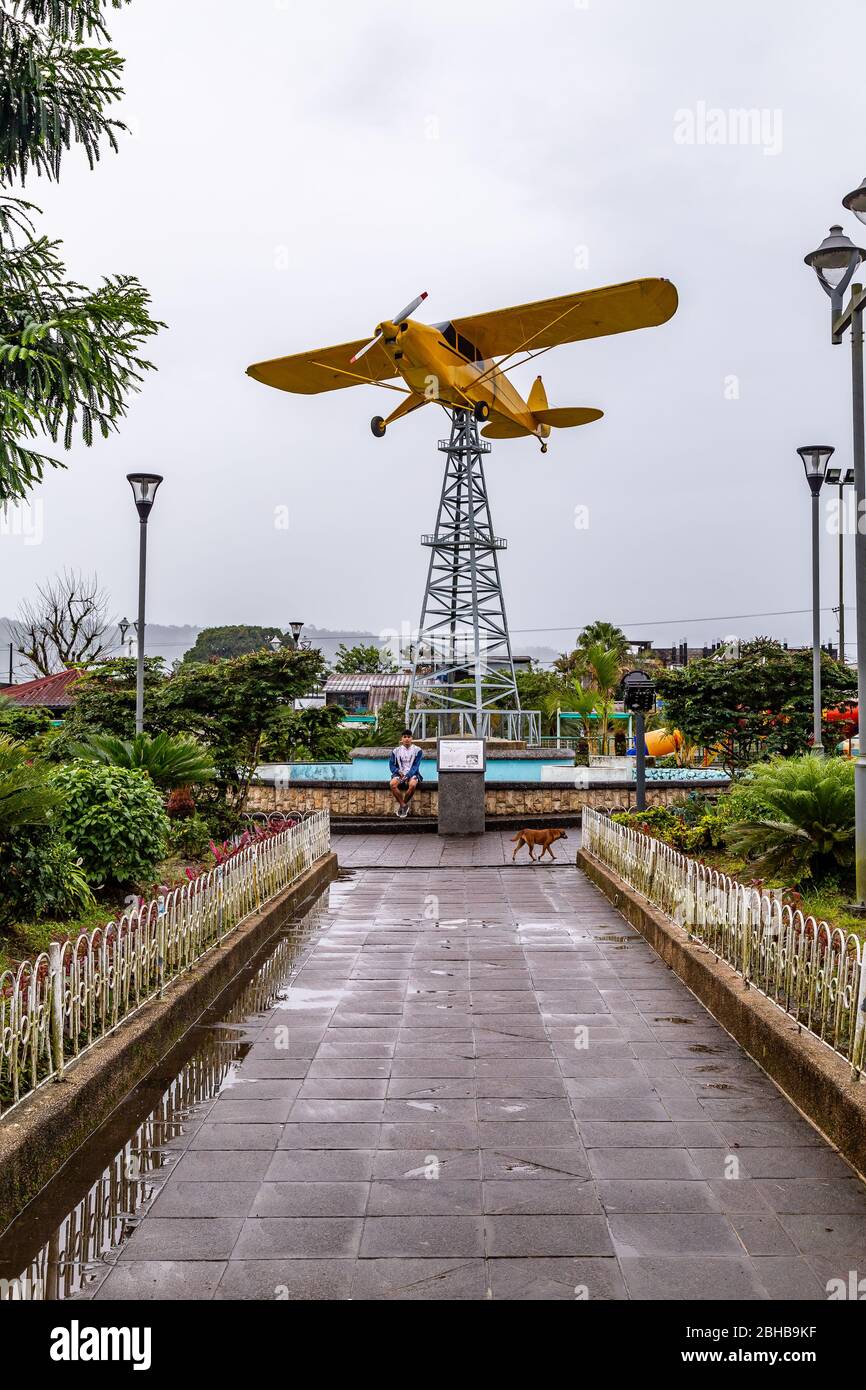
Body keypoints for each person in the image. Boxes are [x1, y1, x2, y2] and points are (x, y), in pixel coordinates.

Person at [389, 728, 423, 818]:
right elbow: (392, 765)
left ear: (412, 738)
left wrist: (408, 775)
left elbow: (416, 766)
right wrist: (398, 772)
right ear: (402, 739)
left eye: (409, 737)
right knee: (392, 784)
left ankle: (402, 806)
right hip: (399, 773)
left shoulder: (418, 750)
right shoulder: (395, 751)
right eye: (405, 737)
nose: (407, 739)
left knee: (412, 785)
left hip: (413, 773)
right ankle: (404, 805)